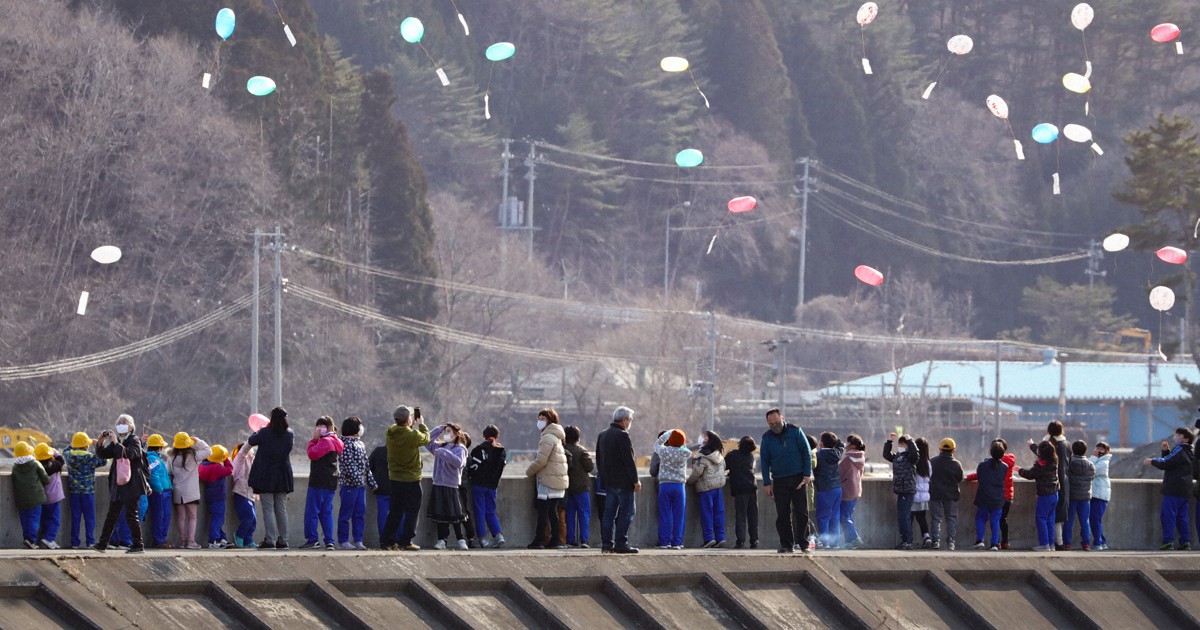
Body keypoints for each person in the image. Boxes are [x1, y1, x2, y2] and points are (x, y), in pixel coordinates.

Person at [92, 414, 150, 554]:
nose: (121, 425)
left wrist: (116, 443)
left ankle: (138, 544)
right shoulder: (118, 440)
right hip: (118, 484)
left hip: (132, 484)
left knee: (131, 515)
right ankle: (102, 543)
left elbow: (131, 454)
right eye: (119, 422)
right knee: (112, 515)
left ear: (131, 426)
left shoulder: (134, 440)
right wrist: (100, 443)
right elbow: (104, 454)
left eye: (124, 422)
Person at [760, 408, 814, 554]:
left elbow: (806, 452)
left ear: (782, 418)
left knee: (801, 512)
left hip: (798, 478)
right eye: (771, 424)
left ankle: (804, 543)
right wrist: (766, 482)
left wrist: (807, 473)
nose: (775, 426)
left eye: (777, 422)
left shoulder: (795, 431)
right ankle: (786, 544)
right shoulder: (766, 438)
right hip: (779, 479)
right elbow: (764, 461)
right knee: (782, 514)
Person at [380, 405, 430, 550]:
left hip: (395, 478)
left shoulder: (390, 432)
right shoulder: (412, 435)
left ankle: (387, 540)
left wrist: (409, 425)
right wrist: (421, 425)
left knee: (395, 512)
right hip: (412, 479)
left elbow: (403, 431)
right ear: (408, 420)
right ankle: (405, 541)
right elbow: (426, 439)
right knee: (412, 513)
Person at [248, 406, 295, 550]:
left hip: (266, 475)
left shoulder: (265, 433)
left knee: (268, 508)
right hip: (282, 475)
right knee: (281, 509)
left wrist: (262, 429)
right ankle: (284, 540)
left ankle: (270, 540)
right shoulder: (289, 434)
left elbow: (251, 440)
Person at [596, 406, 640, 554]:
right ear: (624, 420)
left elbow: (598, 459)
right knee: (628, 512)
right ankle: (621, 543)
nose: (630, 423)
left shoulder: (602, 435)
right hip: (623, 483)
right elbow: (629, 460)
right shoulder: (623, 435)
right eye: (630, 420)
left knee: (608, 513)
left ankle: (607, 545)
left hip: (608, 483)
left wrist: (603, 478)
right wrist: (635, 480)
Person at [1145, 427, 1195, 551]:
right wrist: (1166, 451)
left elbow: (1166, 463)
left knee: (1168, 515)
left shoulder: (1180, 449)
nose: (1175, 437)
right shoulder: (1190, 452)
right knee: (1182, 517)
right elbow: (1173, 463)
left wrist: (1152, 461)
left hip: (1173, 488)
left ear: (1186, 439)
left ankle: (1168, 542)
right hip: (1185, 489)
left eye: (1179, 435)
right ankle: (1185, 542)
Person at [526, 408, 569, 549]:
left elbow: (541, 461)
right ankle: (555, 540)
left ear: (549, 420)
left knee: (544, 512)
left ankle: (539, 540)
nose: (539, 422)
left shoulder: (547, 437)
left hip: (547, 480)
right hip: (558, 479)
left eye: (542, 419)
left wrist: (529, 472)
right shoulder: (558, 436)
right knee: (553, 511)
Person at [302, 416, 344, 550]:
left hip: (318, 481)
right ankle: (329, 541)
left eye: (322, 426)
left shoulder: (325, 441)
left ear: (329, 427)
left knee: (312, 511)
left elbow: (312, 454)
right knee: (326, 512)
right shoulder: (336, 441)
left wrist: (313, 440)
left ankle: (312, 539)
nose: (319, 429)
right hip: (330, 482)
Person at [427, 423, 470, 550]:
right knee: (440, 514)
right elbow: (426, 440)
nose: (446, 434)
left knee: (455, 514)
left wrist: (444, 453)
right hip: (438, 483)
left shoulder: (460, 449)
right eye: (445, 431)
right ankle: (442, 540)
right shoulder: (440, 446)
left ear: (456, 434)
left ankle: (461, 539)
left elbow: (458, 463)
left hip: (451, 485)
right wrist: (438, 429)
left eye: (449, 431)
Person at [1029, 420, 1071, 550]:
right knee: (1055, 516)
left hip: (1047, 489)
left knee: (1043, 517)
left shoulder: (1050, 445)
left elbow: (1042, 456)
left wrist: (1032, 446)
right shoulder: (1067, 444)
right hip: (1062, 483)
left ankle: (1049, 543)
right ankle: (1055, 543)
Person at [337, 416, 375, 550]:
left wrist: (371, 482)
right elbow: (348, 465)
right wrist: (359, 480)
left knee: (359, 513)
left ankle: (358, 540)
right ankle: (343, 540)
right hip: (349, 485)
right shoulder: (345, 444)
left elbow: (366, 465)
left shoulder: (360, 443)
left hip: (361, 486)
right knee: (346, 513)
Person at [169, 431, 213, 550]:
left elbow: (169, 472)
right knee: (192, 516)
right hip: (191, 491)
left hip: (178, 490)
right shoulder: (194, 456)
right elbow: (209, 451)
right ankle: (191, 541)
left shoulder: (171, 457)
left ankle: (183, 542)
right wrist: (198, 440)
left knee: (181, 517)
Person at [64, 432, 105, 550]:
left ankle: (75, 543)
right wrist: (97, 446)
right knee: (89, 518)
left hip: (74, 492)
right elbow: (103, 461)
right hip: (88, 492)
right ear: (86, 445)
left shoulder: (69, 456)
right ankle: (90, 542)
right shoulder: (90, 457)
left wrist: (72, 444)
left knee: (75, 518)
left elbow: (65, 451)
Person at [469, 424, 507, 548]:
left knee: (480, 511)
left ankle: (482, 539)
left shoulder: (478, 450)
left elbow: (473, 467)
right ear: (497, 436)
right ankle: (498, 535)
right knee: (490, 511)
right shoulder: (501, 451)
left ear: (483, 435)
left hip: (478, 484)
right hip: (492, 486)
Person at [1018, 440, 1060, 551]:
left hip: (1045, 495)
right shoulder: (1054, 461)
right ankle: (1051, 544)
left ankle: (1044, 544)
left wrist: (1019, 470)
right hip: (1055, 494)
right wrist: (1032, 445)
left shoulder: (1041, 466)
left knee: (1041, 518)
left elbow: (1030, 474)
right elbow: (1042, 451)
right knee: (1050, 519)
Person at [687, 430, 727, 548]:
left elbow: (697, 472)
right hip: (718, 487)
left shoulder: (702, 455)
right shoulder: (719, 455)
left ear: (707, 440)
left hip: (705, 489)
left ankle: (709, 538)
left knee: (707, 514)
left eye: (704, 436)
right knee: (719, 513)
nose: (701, 437)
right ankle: (721, 537)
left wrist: (689, 481)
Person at [654, 429, 690, 549]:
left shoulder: (664, 451)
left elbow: (657, 444)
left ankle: (664, 542)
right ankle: (677, 542)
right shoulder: (685, 453)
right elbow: (683, 446)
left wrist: (667, 434)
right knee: (679, 515)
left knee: (665, 514)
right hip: (679, 486)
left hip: (665, 485)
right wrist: (679, 439)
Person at [882, 432, 918, 550]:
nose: (901, 446)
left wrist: (910, 440)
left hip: (908, 490)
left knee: (904, 516)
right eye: (900, 444)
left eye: (903, 444)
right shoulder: (897, 457)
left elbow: (915, 453)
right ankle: (905, 540)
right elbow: (886, 455)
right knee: (902, 516)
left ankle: (907, 541)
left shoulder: (910, 458)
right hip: (900, 490)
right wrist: (889, 441)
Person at [973, 440, 1008, 551]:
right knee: (995, 520)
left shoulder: (982, 465)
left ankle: (980, 540)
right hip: (997, 498)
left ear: (990, 452)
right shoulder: (1005, 467)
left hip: (983, 496)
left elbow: (979, 476)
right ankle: (994, 543)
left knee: (980, 518)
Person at [929, 438, 963, 551]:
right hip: (951, 495)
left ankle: (935, 541)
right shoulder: (957, 464)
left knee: (936, 518)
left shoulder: (932, 462)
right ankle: (951, 543)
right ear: (954, 450)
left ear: (940, 449)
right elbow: (960, 478)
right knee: (951, 518)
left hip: (935, 493)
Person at [12, 441, 49, 549]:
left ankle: (26, 538)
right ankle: (31, 540)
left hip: (21, 497)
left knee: (24, 518)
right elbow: (45, 478)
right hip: (35, 496)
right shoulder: (35, 463)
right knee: (34, 518)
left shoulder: (15, 466)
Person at [563, 425, 595, 548]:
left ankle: (570, 540)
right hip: (581, 486)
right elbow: (589, 467)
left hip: (567, 486)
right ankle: (584, 540)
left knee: (569, 514)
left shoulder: (562, 450)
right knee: (584, 513)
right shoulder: (581, 451)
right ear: (578, 437)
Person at [725, 436, 758, 549]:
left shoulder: (732, 455)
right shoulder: (750, 456)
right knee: (753, 516)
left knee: (741, 516)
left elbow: (725, 466)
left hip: (740, 488)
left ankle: (740, 541)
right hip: (752, 486)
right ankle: (754, 541)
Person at [812, 432, 844, 549]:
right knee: (835, 516)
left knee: (823, 516)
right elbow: (841, 446)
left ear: (821, 443)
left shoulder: (819, 456)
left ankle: (824, 542)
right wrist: (837, 440)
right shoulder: (836, 453)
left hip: (825, 488)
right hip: (837, 488)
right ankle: (835, 543)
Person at [199, 445, 233, 548]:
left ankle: (221, 538)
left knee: (217, 518)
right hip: (218, 496)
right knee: (218, 519)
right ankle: (213, 540)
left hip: (210, 495)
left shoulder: (203, 465)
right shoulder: (216, 467)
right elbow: (229, 470)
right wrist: (226, 459)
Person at [1064, 440, 1095, 550]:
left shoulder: (1069, 463)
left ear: (1073, 450)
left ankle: (1067, 543)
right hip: (1085, 497)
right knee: (1084, 521)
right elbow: (1092, 477)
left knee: (1068, 520)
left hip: (1072, 496)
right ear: (1085, 451)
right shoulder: (1090, 464)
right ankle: (1086, 543)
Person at [144, 434, 174, 549]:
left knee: (164, 516)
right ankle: (159, 540)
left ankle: (161, 539)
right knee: (160, 516)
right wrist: (159, 489)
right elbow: (152, 474)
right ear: (159, 447)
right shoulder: (153, 458)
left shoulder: (155, 458)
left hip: (164, 491)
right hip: (160, 493)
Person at [35, 443, 65, 549]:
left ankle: (42, 539)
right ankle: (48, 539)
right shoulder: (54, 466)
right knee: (54, 520)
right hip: (54, 497)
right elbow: (61, 460)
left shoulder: (38, 467)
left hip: (42, 497)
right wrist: (54, 450)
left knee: (44, 520)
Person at [838, 434, 866, 549]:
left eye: (848, 443)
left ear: (853, 445)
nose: (846, 445)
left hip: (847, 490)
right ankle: (850, 541)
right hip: (856, 490)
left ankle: (854, 538)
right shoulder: (861, 457)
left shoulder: (848, 458)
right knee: (848, 516)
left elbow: (839, 473)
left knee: (843, 516)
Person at [230, 442, 257, 548]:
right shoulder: (240, 460)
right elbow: (242, 452)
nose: (251, 454)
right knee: (248, 516)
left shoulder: (253, 462)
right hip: (240, 492)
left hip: (250, 493)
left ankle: (248, 539)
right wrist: (251, 441)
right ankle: (239, 535)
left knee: (253, 520)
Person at [910, 437, 933, 549]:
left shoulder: (914, 462)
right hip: (924, 496)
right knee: (921, 518)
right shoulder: (928, 463)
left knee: (909, 518)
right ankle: (927, 537)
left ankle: (908, 540)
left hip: (913, 495)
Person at [368, 440, 391, 546]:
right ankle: (398, 539)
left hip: (381, 487)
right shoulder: (400, 451)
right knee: (400, 514)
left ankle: (384, 540)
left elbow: (368, 467)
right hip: (398, 486)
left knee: (383, 513)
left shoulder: (379, 451)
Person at [1088, 441, 1111, 551]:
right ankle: (1101, 541)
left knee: (1095, 519)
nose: (1098, 451)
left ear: (1106, 451)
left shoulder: (1104, 462)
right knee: (1095, 519)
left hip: (1100, 495)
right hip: (1096, 493)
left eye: (1101, 449)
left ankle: (1098, 542)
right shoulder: (1099, 460)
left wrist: (1093, 457)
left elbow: (1090, 470)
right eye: (1097, 448)